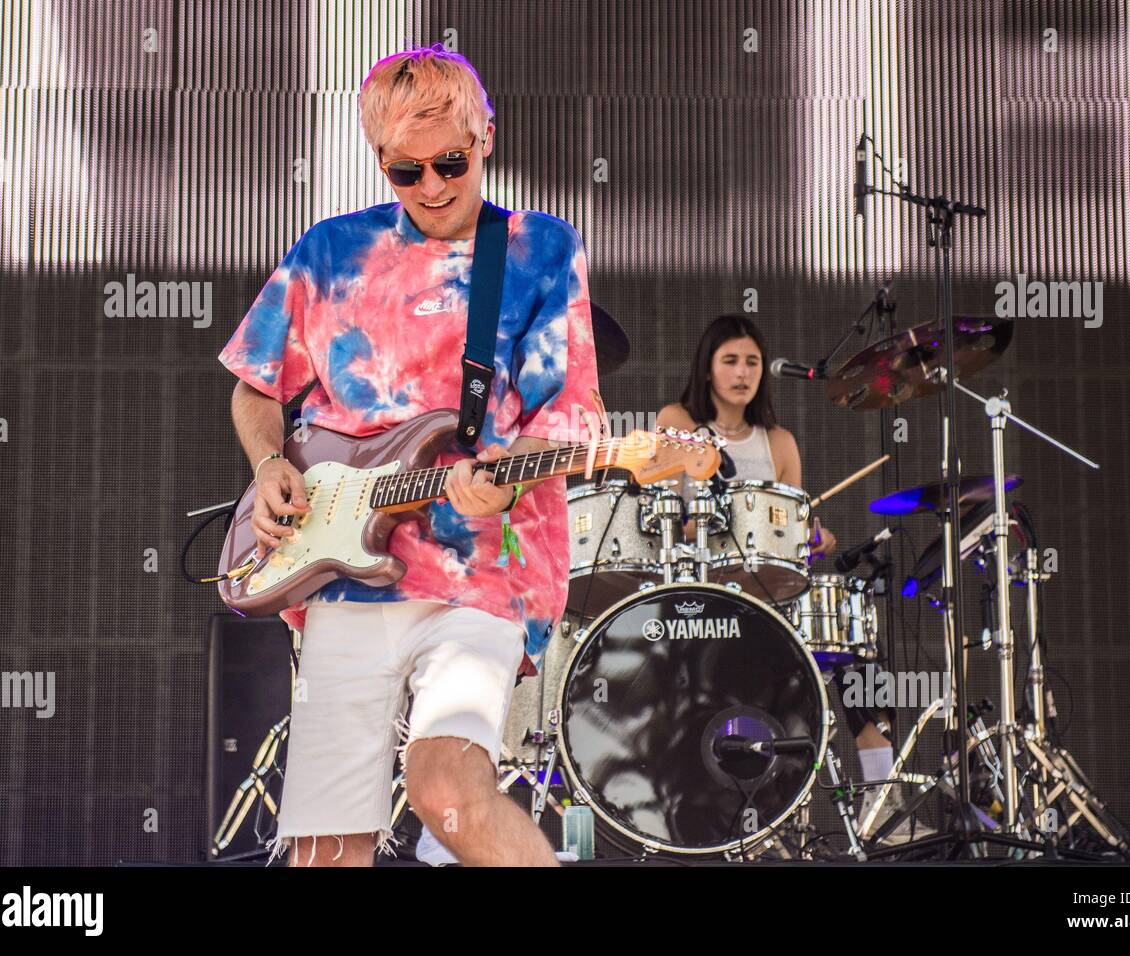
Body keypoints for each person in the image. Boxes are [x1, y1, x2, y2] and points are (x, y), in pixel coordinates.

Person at [218, 44, 599, 866]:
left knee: (445, 787)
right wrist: (269, 465)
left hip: (481, 570)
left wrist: (504, 477)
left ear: (486, 136)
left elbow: (571, 408)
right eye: (405, 171)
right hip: (343, 576)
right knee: (325, 847)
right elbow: (254, 386)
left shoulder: (537, 249)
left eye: (450, 162)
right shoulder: (329, 251)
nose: (431, 187)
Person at [656, 314, 911, 838]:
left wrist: (815, 538)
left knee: (858, 661)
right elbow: (655, 514)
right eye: (730, 361)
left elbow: (793, 531)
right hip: (700, 601)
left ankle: (883, 806)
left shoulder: (780, 443)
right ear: (707, 370)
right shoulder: (676, 420)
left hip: (771, 605)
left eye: (751, 362)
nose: (743, 373)